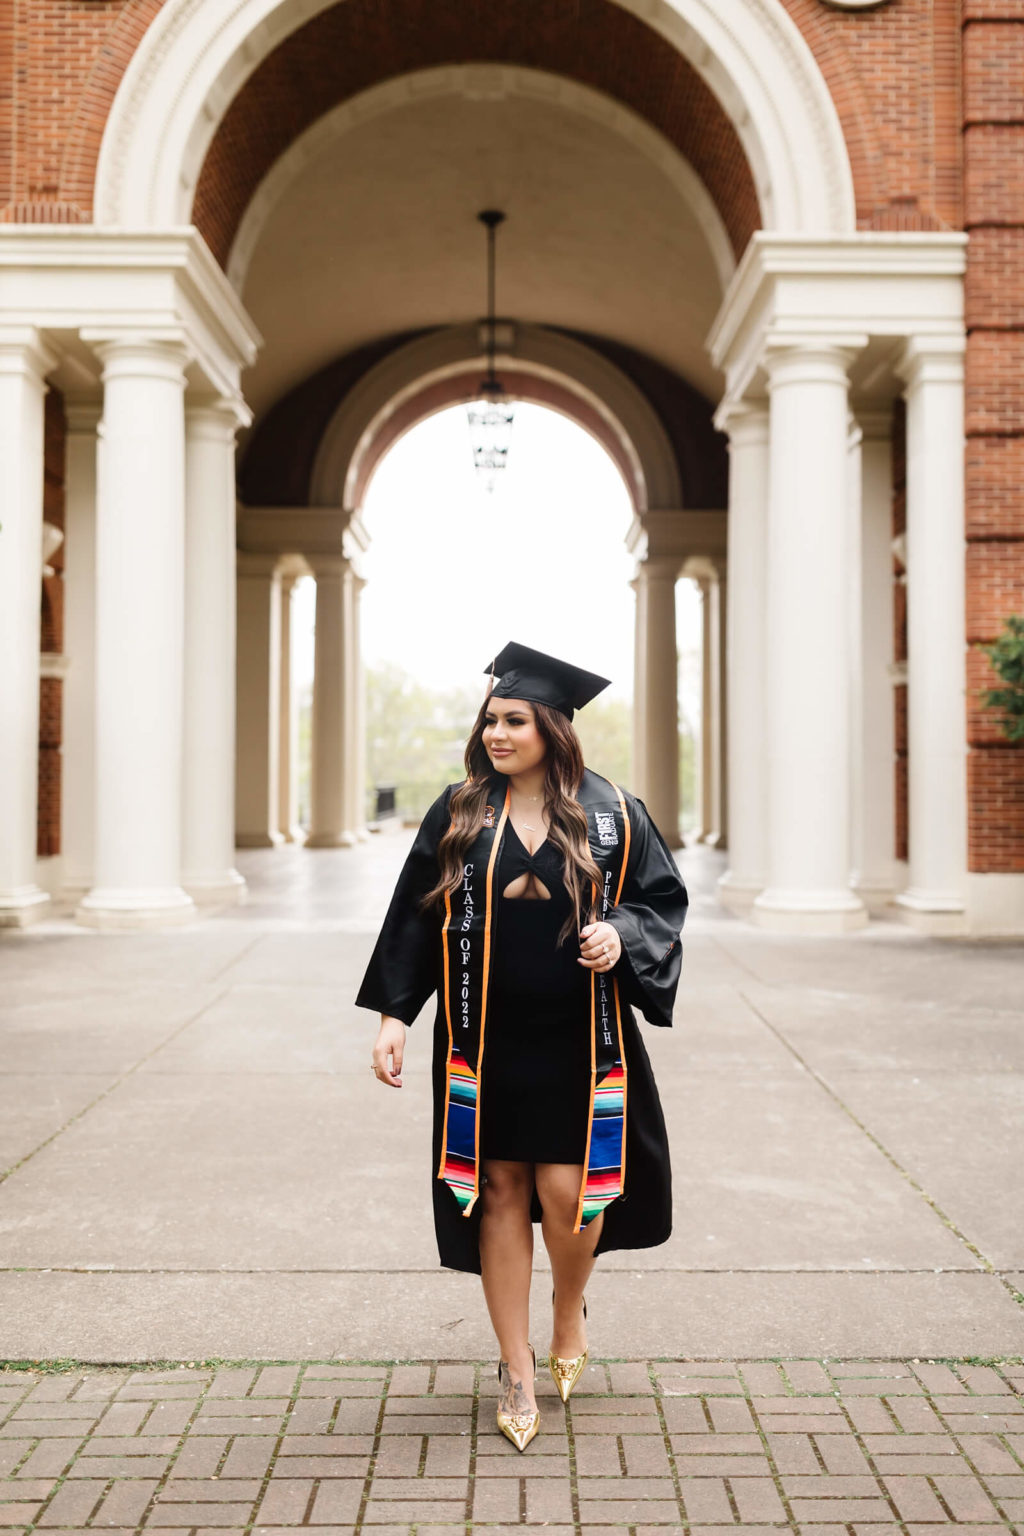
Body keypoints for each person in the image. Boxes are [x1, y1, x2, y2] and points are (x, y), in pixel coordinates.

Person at [356, 641, 687, 1451]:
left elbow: (661, 904)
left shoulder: (612, 811)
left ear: (553, 728)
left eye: (515, 720)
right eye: (491, 719)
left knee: (572, 1193)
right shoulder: (461, 811)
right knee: (498, 1192)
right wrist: (395, 1015)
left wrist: (623, 935)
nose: (497, 733)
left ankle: (567, 1312)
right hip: (483, 1040)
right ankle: (514, 1367)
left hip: (582, 1039)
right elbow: (414, 914)